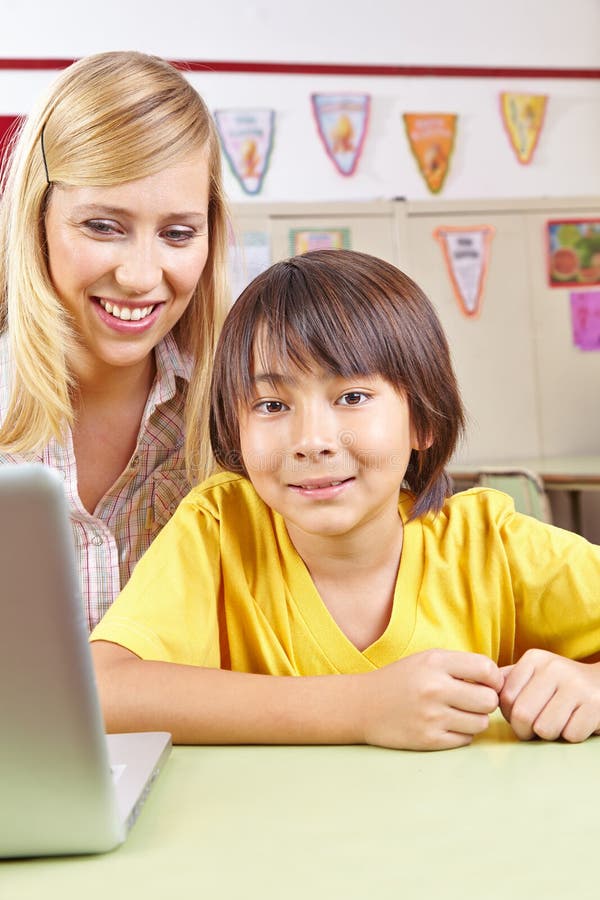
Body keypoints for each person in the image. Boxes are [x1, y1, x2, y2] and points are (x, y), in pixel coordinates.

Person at [90, 249, 600, 751]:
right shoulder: (218, 529)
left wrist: (591, 688)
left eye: (352, 397)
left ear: (423, 419)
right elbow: (103, 692)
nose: (312, 440)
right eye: (271, 404)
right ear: (234, 427)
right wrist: (362, 707)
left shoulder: (491, 543)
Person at [0, 51, 230, 630]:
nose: (140, 276)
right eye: (104, 226)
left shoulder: (244, 413)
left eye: (178, 234)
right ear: (38, 222)